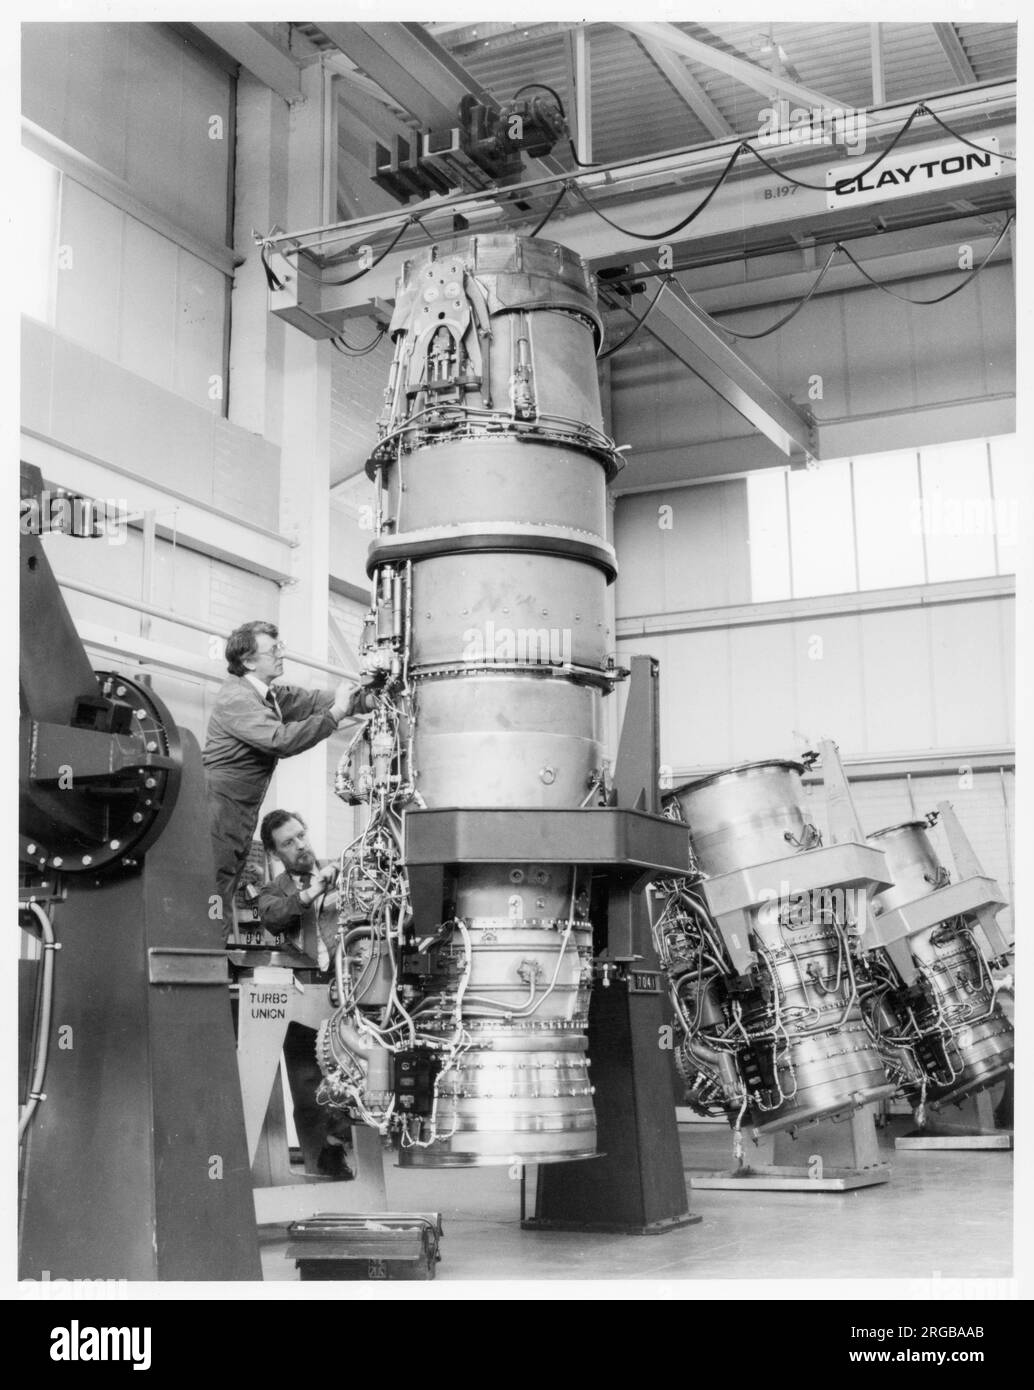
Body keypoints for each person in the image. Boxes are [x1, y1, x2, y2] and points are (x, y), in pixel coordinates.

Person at [202, 620, 362, 926]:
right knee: (214, 894)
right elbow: (281, 740)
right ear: (248, 661)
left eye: (280, 647)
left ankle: (211, 954)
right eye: (273, 650)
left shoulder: (270, 696)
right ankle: (207, 955)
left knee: (221, 890)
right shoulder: (237, 699)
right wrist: (337, 713)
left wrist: (364, 695)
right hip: (217, 811)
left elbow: (314, 701)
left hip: (237, 814)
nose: (280, 655)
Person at [257, 808, 353, 1180]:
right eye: (288, 842)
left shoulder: (341, 873)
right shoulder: (273, 891)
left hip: (345, 993)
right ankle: (321, 1167)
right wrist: (315, 891)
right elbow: (276, 917)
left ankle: (338, 1146)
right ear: (274, 852)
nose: (300, 846)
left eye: (301, 836)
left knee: (355, 1077)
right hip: (301, 995)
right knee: (306, 1085)